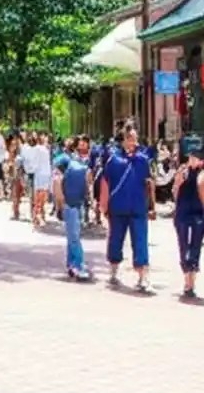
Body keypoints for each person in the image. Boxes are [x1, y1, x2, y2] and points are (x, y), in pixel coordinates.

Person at [99, 124, 154, 292]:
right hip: (118, 208)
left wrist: (152, 206)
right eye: (130, 139)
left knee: (140, 242)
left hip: (138, 208)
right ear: (123, 141)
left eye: (135, 139)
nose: (133, 142)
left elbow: (149, 183)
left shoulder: (143, 160)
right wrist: (103, 206)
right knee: (115, 240)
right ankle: (114, 272)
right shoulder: (113, 161)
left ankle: (143, 276)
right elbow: (105, 184)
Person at [173, 149, 204, 299]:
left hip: (198, 213)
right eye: (190, 157)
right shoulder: (182, 172)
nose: (191, 160)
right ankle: (187, 280)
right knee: (184, 246)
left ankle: (191, 282)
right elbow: (175, 193)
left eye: (195, 158)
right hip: (182, 212)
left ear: (202, 162)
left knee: (195, 247)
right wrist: (179, 180)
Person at [53, 135, 92, 281]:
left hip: (76, 202)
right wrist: (61, 203)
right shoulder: (65, 160)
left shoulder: (76, 161)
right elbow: (57, 181)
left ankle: (72, 264)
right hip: (70, 203)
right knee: (74, 236)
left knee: (73, 235)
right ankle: (79, 265)